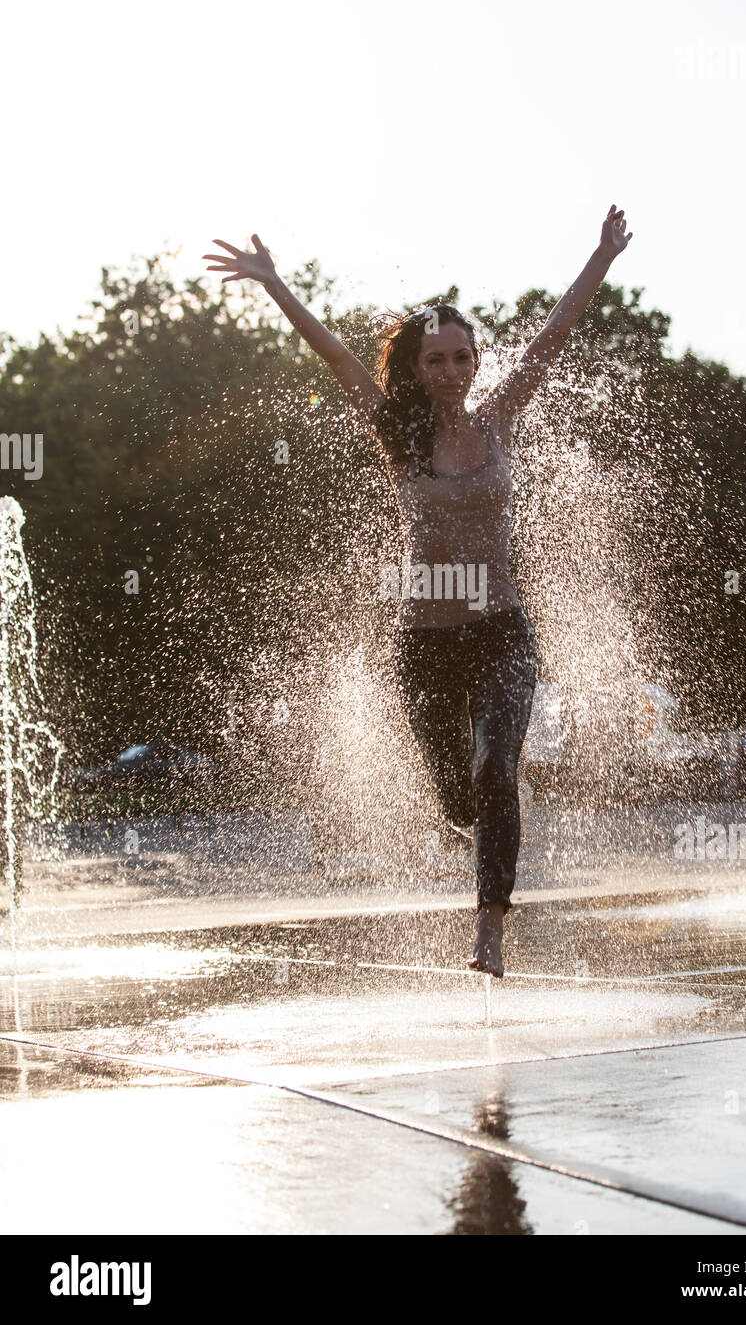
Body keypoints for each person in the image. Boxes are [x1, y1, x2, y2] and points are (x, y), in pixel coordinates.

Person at [203, 205, 633, 976]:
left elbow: (554, 338)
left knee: (494, 767)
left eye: (461, 358)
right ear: (416, 369)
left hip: (502, 629)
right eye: (435, 361)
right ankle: (483, 830)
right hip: (425, 643)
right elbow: (335, 358)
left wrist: (601, 257)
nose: (450, 372)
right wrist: (274, 285)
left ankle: (489, 931)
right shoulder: (396, 432)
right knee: (456, 800)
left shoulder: (499, 421)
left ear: (475, 362)